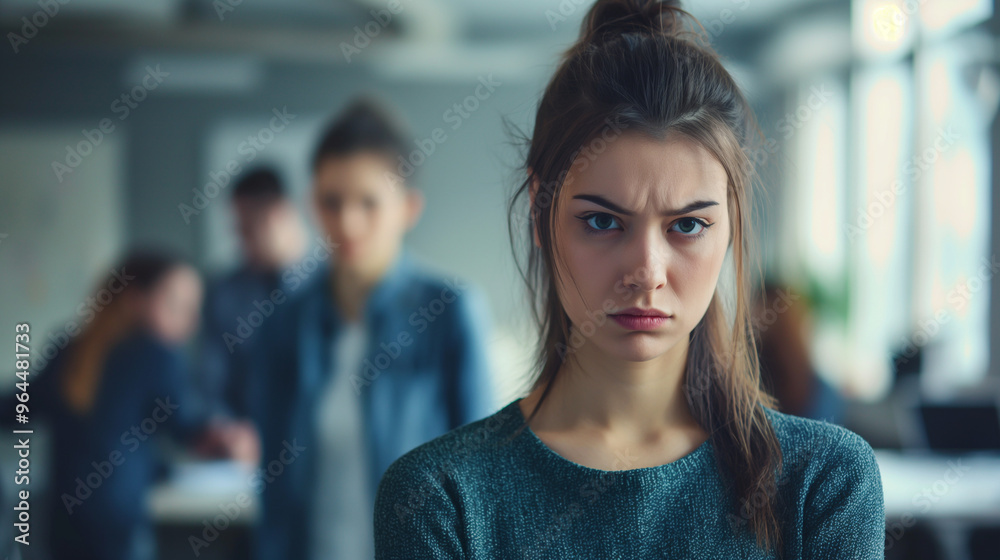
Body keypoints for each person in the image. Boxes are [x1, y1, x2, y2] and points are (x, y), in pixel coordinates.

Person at [373, 1, 885, 558]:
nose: (645, 272)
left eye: (687, 225)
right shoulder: (441, 498)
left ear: (732, 222)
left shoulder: (822, 483)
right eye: (602, 221)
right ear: (540, 211)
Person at [251, 97, 497, 560]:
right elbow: (274, 484)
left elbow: (481, 479)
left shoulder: (449, 312)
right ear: (311, 204)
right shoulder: (283, 325)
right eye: (331, 202)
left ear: (408, 207)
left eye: (369, 202)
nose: (348, 221)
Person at [8, 249, 252, 560]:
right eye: (177, 306)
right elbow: (186, 426)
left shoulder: (68, 349)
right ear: (135, 300)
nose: (191, 323)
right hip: (118, 524)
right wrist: (227, 438)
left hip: (63, 523)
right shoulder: (156, 354)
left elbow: (20, 406)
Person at [197, 166, 307, 422]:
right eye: (238, 228)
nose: (241, 239)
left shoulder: (330, 286)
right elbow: (210, 383)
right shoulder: (223, 292)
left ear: (281, 215)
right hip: (243, 448)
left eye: (248, 228)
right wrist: (228, 432)